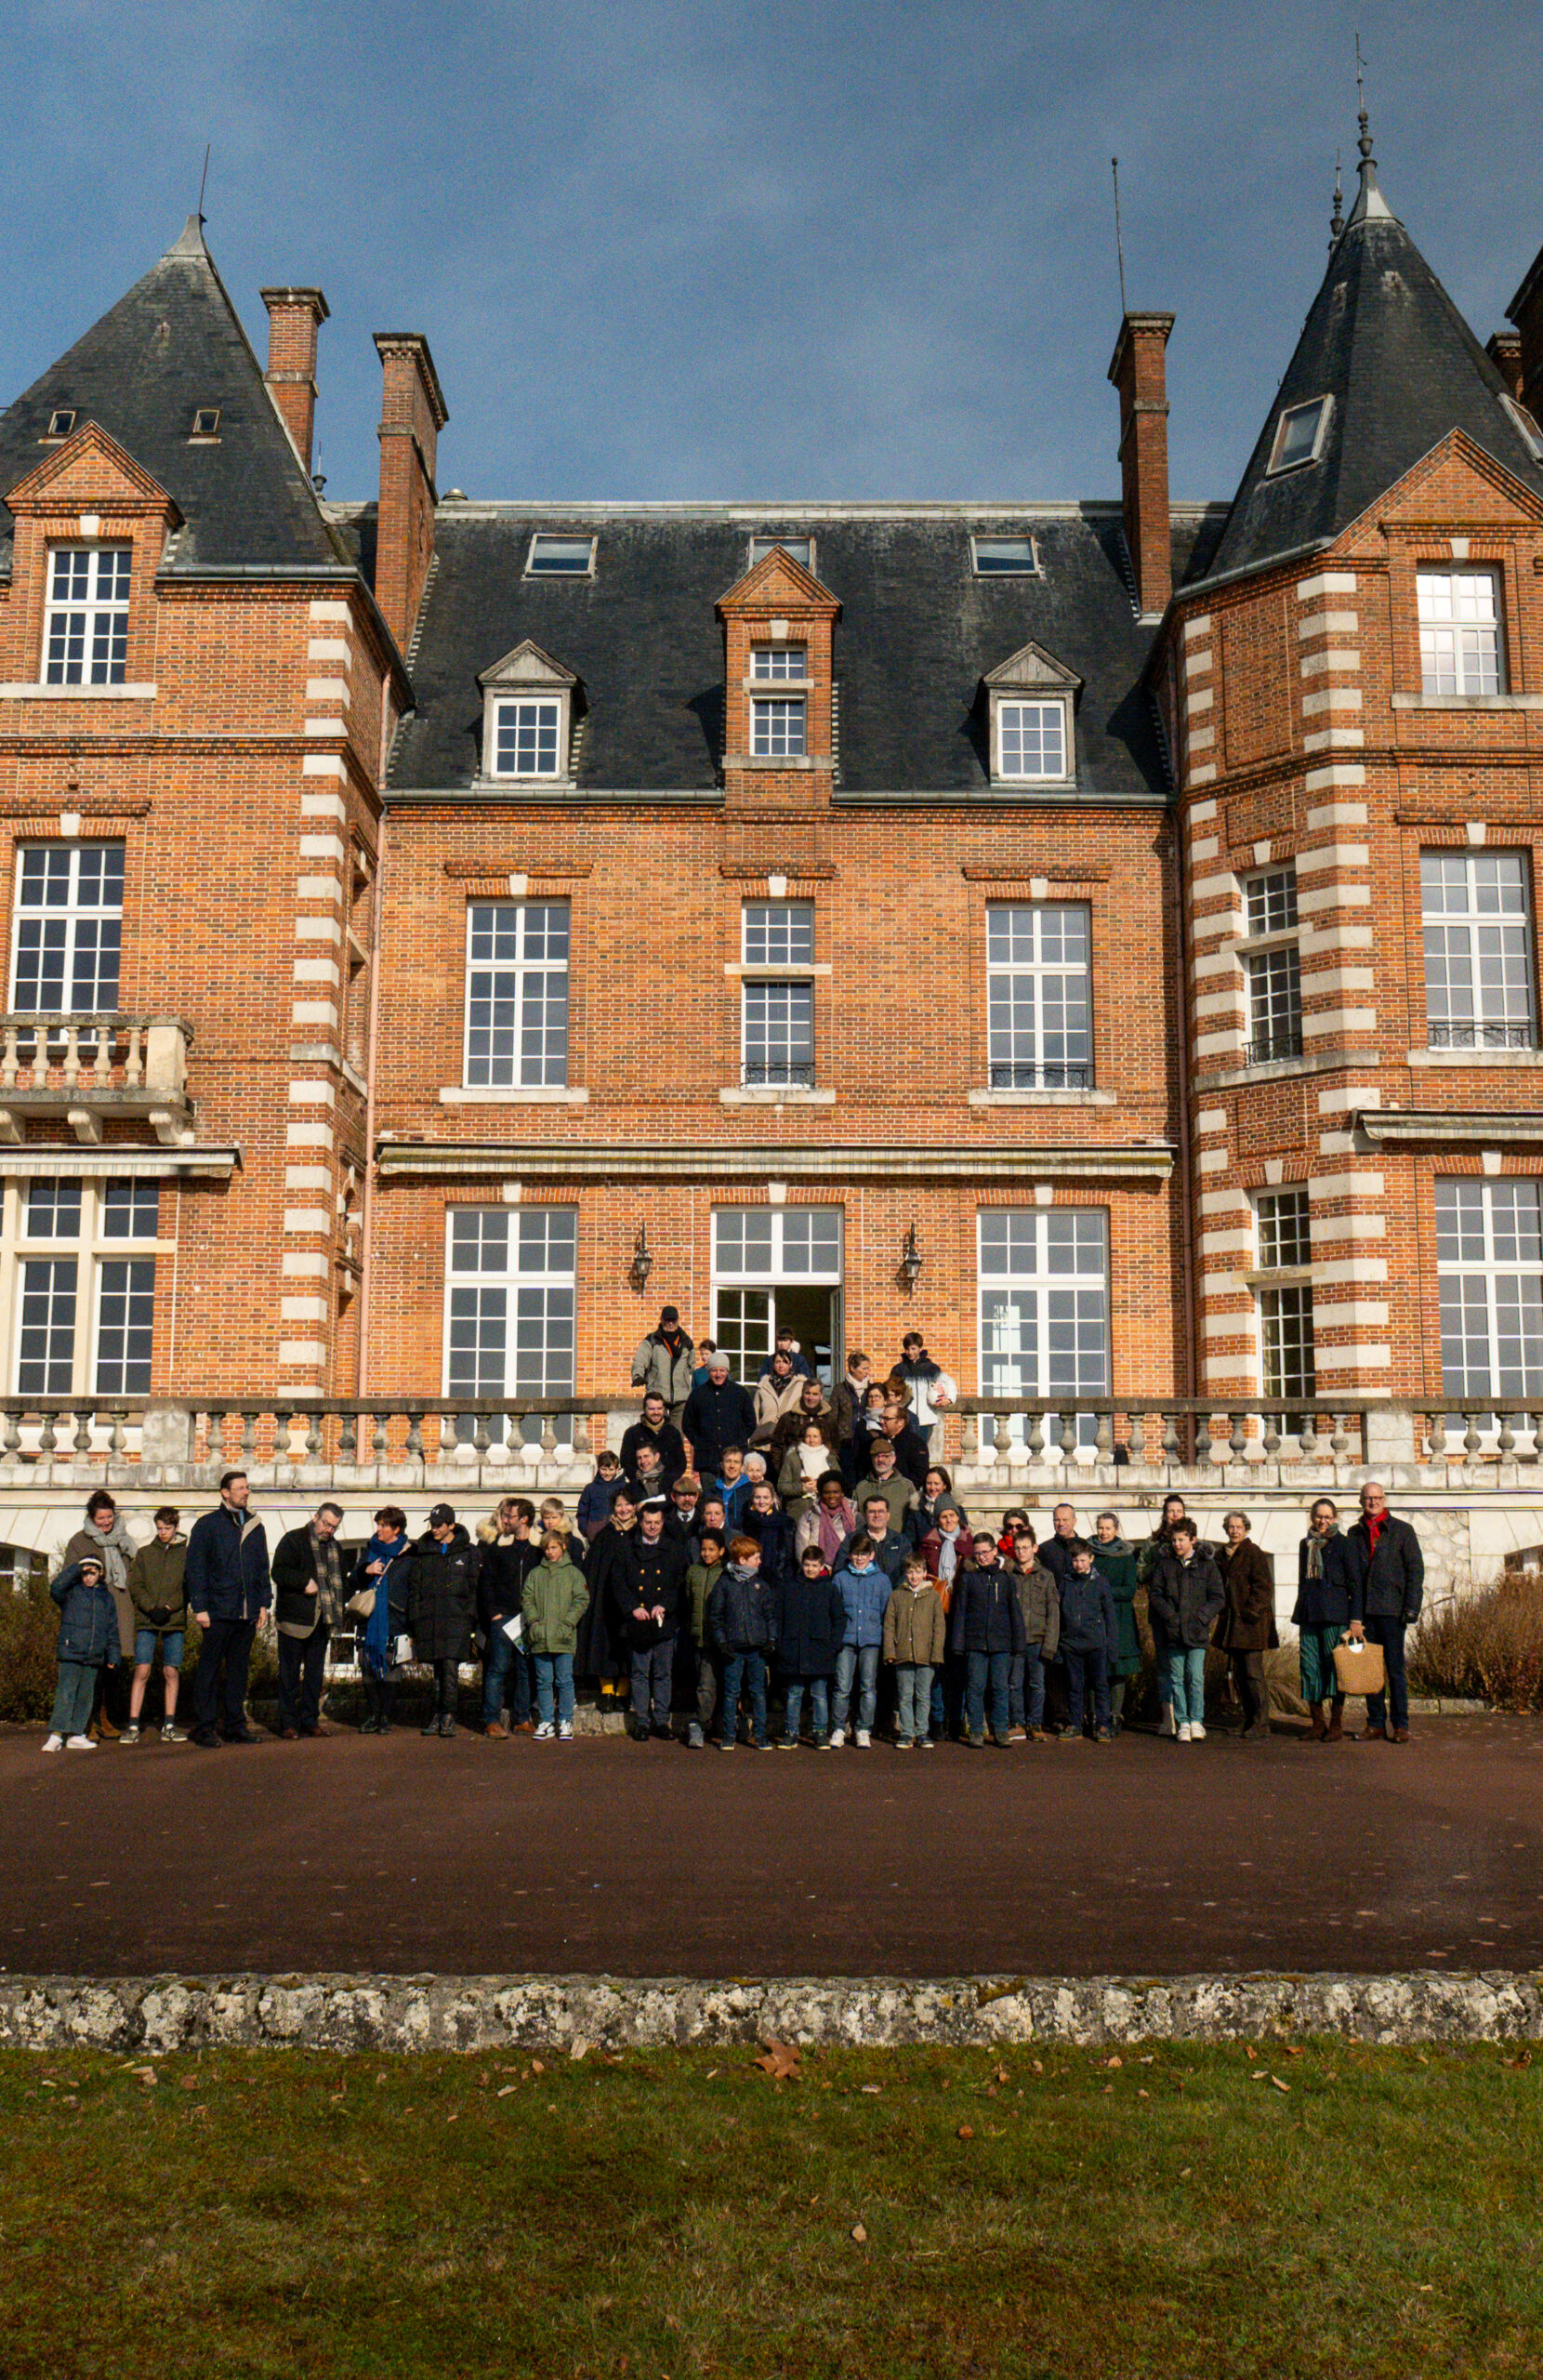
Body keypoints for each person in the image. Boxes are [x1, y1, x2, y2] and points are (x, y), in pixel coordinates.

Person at [185, 1470, 270, 1751]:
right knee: (209, 1671)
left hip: (247, 1612)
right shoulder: (207, 1525)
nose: (246, 1492)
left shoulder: (255, 1526)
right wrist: (200, 1606)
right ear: (225, 1492)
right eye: (240, 1488)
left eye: (247, 1488)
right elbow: (196, 1568)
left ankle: (235, 1726)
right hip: (218, 1610)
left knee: (238, 1672)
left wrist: (263, 1603)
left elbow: (262, 1567)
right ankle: (204, 1727)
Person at [1344, 1481, 1425, 1745]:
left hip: (1392, 1611)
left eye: (1377, 1497)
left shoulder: (1402, 1531)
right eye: (1368, 1498)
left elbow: (1415, 1570)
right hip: (1366, 1614)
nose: (1373, 1502)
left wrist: (1411, 1607)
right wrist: (1355, 1616)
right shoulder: (1354, 1533)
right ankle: (1376, 1724)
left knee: (1395, 1671)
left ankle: (1400, 1725)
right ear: (1361, 1501)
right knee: (1371, 1671)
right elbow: (1353, 1579)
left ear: (1384, 1500)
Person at [270, 1501, 346, 1739]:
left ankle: (310, 1720)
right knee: (289, 1675)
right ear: (316, 1517)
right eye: (326, 1524)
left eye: (334, 1527)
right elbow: (278, 1571)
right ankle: (288, 1723)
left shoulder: (336, 1548)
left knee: (314, 1676)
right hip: (294, 1619)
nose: (329, 1530)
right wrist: (303, 1581)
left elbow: (341, 1581)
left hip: (323, 1620)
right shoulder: (293, 1540)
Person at [65, 1491, 137, 1740]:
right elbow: (69, 1579)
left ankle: (104, 1717)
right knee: (90, 1668)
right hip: (91, 1613)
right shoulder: (79, 1542)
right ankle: (87, 1721)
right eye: (101, 1518)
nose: (106, 1522)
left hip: (119, 1610)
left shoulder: (124, 1541)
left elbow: (134, 1573)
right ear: (91, 1518)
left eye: (109, 1517)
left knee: (112, 1668)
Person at [1146, 1518, 1224, 1744]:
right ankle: (1183, 1722)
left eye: (1181, 1540)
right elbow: (1156, 1595)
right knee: (1176, 1678)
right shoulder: (1165, 1565)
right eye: (1173, 1540)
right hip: (1173, 1632)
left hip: (1197, 1631)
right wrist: (1170, 1617)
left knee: (1195, 1677)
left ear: (1193, 1540)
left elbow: (1218, 1597)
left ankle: (1197, 1720)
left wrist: (1201, 1618)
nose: (1177, 1544)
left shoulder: (1207, 1565)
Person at [949, 1530, 1025, 1749]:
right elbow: (960, 1612)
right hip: (975, 1643)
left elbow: (1015, 1612)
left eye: (985, 1552)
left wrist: (1018, 1643)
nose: (981, 1557)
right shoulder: (968, 1578)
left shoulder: (1006, 1578)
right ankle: (976, 1730)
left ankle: (1000, 1730)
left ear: (994, 1551)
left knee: (1001, 1687)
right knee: (975, 1687)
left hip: (1001, 1642)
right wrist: (958, 1643)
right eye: (977, 1553)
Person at [473, 1497, 539, 1738]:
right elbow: (486, 1582)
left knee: (525, 1670)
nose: (504, 1520)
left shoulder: (539, 1548)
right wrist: (493, 1613)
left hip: (528, 1618)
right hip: (503, 1618)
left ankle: (522, 1718)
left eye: (509, 1516)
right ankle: (491, 1720)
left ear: (524, 1519)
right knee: (497, 1669)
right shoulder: (497, 1547)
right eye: (504, 1516)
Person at [408, 1501, 476, 1739]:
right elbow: (415, 1588)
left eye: (439, 1525)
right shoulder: (424, 1552)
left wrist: (469, 1617)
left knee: (449, 1669)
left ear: (451, 1525)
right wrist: (415, 1620)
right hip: (430, 1619)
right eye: (433, 1524)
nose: (435, 1529)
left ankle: (448, 1715)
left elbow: (474, 1588)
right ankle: (438, 1714)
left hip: (456, 1621)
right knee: (437, 1670)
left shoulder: (468, 1552)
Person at [620, 1501, 686, 1741]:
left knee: (663, 1673)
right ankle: (641, 1721)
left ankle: (662, 1720)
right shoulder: (628, 1549)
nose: (652, 1527)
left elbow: (680, 1583)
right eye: (648, 1522)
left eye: (657, 1523)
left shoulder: (674, 1549)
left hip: (662, 1620)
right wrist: (632, 1608)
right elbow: (619, 1583)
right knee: (639, 1673)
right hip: (639, 1620)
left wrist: (665, 1604)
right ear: (640, 1522)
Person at [42, 1552, 121, 1751]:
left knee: (85, 1697)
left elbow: (112, 1629)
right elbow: (56, 1588)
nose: (88, 1577)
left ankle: (76, 1734)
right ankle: (56, 1735)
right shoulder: (71, 1593)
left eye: (92, 1573)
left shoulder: (107, 1599)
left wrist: (113, 1654)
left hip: (93, 1656)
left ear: (100, 1573)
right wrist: (77, 1569)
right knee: (65, 1694)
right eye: (85, 1573)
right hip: (71, 1652)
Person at [123, 1505, 188, 1743]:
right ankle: (133, 1725)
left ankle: (169, 1724)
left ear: (176, 1527)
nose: (163, 1532)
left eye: (167, 1528)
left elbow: (189, 1586)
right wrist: (151, 1608)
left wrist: (169, 1608)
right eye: (159, 1528)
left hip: (174, 1620)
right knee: (142, 1669)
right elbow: (135, 1585)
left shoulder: (187, 1554)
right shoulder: (144, 1553)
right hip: (147, 1620)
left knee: (171, 1671)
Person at [707, 1533, 776, 1751]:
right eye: (756, 1558)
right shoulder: (724, 1584)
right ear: (743, 1560)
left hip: (757, 1648)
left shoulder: (761, 1585)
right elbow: (715, 1616)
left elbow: (770, 1616)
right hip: (733, 1648)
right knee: (731, 1693)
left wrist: (771, 1639)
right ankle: (729, 1735)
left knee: (758, 1693)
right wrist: (722, 1643)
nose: (760, 1562)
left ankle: (760, 1735)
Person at [774, 1543, 846, 1750]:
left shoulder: (829, 1589)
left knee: (819, 1695)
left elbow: (839, 1620)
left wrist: (833, 1646)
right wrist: (780, 1644)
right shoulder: (789, 1588)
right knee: (794, 1694)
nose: (810, 1569)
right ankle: (791, 1732)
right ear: (801, 1564)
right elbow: (778, 1618)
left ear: (822, 1566)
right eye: (807, 1565)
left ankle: (820, 1732)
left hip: (820, 1651)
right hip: (793, 1650)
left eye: (814, 1565)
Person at [521, 1528, 590, 1741]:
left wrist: (568, 1623)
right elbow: (527, 1599)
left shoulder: (573, 1574)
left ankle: (566, 1720)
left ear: (563, 1547)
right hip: (540, 1637)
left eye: (554, 1547)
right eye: (547, 1548)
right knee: (543, 1681)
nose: (550, 1552)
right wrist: (534, 1622)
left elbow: (581, 1600)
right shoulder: (536, 1574)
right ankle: (547, 1721)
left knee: (564, 1681)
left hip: (564, 1637)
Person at [1214, 1511, 1276, 1741]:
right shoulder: (1221, 1555)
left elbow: (1264, 1588)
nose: (1235, 1531)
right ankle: (1249, 1719)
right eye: (1231, 1527)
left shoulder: (1254, 1553)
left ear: (1246, 1529)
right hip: (1232, 1624)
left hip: (1252, 1625)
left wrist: (1251, 1612)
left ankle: (1262, 1722)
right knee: (1240, 1674)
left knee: (1253, 1673)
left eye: (1239, 1527)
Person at [351, 1505, 413, 1733]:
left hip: (396, 1620)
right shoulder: (370, 1550)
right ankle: (373, 1714)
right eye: (378, 1524)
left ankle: (385, 1716)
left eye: (384, 1525)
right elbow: (353, 1581)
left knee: (391, 1669)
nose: (378, 1529)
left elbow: (414, 1592)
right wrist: (365, 1570)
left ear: (396, 1529)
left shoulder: (409, 1555)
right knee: (368, 1667)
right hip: (369, 1621)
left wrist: (412, 1627)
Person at [1294, 1497, 1352, 1742]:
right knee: (1309, 1667)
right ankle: (1317, 1723)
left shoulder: (1344, 1544)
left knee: (1335, 1667)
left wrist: (1355, 1620)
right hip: (1309, 1614)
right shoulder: (1305, 1544)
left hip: (1334, 1615)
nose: (1323, 1521)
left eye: (1328, 1516)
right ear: (1312, 1517)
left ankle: (1336, 1724)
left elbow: (1354, 1582)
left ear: (1334, 1518)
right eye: (1319, 1516)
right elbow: (1303, 1580)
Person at [828, 1533, 888, 1748]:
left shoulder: (882, 1580)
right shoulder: (840, 1578)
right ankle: (838, 1727)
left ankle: (864, 1729)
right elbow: (834, 1610)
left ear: (871, 1555)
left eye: (863, 1554)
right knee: (842, 1687)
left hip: (871, 1640)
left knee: (868, 1688)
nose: (859, 1558)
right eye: (855, 1554)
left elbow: (885, 1612)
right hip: (846, 1639)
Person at [1137, 1493, 1189, 1739]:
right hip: (1160, 1612)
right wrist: (1158, 1566)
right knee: (1165, 1666)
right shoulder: (1153, 1544)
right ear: (1164, 1514)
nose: (1174, 1515)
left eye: (1179, 1511)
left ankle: (1188, 1717)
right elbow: (1139, 1572)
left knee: (1188, 1667)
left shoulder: (1191, 1542)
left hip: (1187, 1614)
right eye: (1170, 1511)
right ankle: (1168, 1718)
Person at [883, 1552, 947, 1750]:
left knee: (923, 1696)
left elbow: (939, 1627)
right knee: (904, 1695)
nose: (914, 1576)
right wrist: (890, 1652)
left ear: (925, 1573)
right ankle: (907, 1732)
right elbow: (889, 1626)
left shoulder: (933, 1596)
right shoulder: (896, 1595)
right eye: (910, 1572)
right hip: (902, 1654)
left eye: (918, 1572)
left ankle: (922, 1732)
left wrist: (937, 1654)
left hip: (926, 1656)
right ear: (905, 1573)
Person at [1057, 1539, 1118, 1743]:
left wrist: (1112, 1646)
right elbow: (1059, 1612)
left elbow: (1110, 1615)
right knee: (1074, 1686)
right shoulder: (1066, 1582)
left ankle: (1103, 1724)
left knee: (1100, 1686)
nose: (1079, 1565)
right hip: (1071, 1644)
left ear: (1091, 1559)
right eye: (1075, 1561)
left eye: (1083, 1560)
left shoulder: (1100, 1582)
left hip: (1096, 1643)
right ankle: (1075, 1724)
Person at [578, 1491, 638, 1698]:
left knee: (626, 1648)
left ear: (635, 1507)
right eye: (619, 1505)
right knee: (604, 1646)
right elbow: (592, 1570)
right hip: (605, 1601)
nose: (623, 1509)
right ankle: (606, 1690)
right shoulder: (605, 1535)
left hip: (631, 1603)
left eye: (627, 1504)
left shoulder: (639, 1533)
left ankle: (623, 1691)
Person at [1008, 1522, 1060, 1742]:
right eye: (1017, 1548)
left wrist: (1050, 1644)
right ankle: (1017, 1723)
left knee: (1037, 1684)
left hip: (1038, 1639)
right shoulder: (1008, 1575)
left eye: (1025, 1548)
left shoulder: (1046, 1576)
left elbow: (1053, 1612)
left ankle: (1035, 1723)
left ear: (1034, 1549)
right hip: (1015, 1640)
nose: (1021, 1552)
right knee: (1014, 1683)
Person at [1092, 1513, 1141, 1735]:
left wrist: (1103, 1592)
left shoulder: (1125, 1556)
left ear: (1116, 1529)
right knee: (1095, 1668)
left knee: (1117, 1670)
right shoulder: (1090, 1553)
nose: (1104, 1533)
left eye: (1108, 1528)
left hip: (1119, 1619)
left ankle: (1115, 1714)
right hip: (1094, 1618)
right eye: (1101, 1528)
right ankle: (1095, 1715)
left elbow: (1129, 1590)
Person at [681, 1355, 757, 1486]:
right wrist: (699, 1442)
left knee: (734, 1496)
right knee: (710, 1496)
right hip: (707, 1460)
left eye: (722, 1370)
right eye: (714, 1370)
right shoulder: (698, 1395)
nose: (718, 1374)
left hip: (734, 1461)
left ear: (727, 1371)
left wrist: (739, 1442)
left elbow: (750, 1422)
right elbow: (687, 1424)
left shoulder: (739, 1393)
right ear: (708, 1371)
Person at [683, 1526, 725, 1748]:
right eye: (703, 1549)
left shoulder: (725, 1573)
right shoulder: (694, 1571)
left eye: (711, 1550)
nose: (706, 1554)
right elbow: (689, 1600)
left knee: (715, 1683)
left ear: (721, 1551)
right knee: (704, 1683)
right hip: (699, 1637)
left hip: (720, 1639)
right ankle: (702, 1723)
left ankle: (712, 1723)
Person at [886, 1333, 958, 1449]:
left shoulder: (930, 1368)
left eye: (913, 1348)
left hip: (926, 1420)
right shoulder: (899, 1369)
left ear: (920, 1348)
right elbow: (890, 1389)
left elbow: (949, 1382)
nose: (910, 1352)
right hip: (906, 1419)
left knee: (920, 1451)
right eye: (907, 1349)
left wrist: (949, 1399)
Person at [631, 1304, 696, 1424]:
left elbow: (691, 1364)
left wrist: (684, 1378)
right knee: (656, 1432)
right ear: (661, 1320)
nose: (670, 1323)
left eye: (673, 1320)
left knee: (678, 1434)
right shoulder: (652, 1340)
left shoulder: (686, 1341)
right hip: (657, 1396)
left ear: (678, 1320)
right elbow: (640, 1360)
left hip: (681, 1397)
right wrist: (638, 1376)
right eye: (667, 1320)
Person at [766, 1378, 839, 1482]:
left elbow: (835, 1447)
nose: (811, 1397)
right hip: (793, 1475)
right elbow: (776, 1447)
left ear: (821, 1396)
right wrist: (782, 1471)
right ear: (802, 1394)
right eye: (807, 1393)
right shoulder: (788, 1418)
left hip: (822, 1474)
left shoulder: (829, 1420)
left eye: (815, 1394)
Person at [852, 1437, 917, 1539]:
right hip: (867, 1543)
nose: (880, 1460)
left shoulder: (907, 1486)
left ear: (893, 1458)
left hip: (898, 1543)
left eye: (885, 1456)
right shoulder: (861, 1488)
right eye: (876, 1456)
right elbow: (854, 1518)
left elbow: (916, 1519)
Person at [620, 1392, 687, 1490]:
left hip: (667, 1488)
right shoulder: (633, 1433)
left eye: (659, 1408)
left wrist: (668, 1480)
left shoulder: (673, 1432)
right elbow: (626, 1462)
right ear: (644, 1409)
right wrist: (640, 1478)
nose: (656, 1412)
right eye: (652, 1409)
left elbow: (680, 1463)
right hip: (641, 1487)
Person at [844, 1493, 912, 1586]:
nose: (877, 1515)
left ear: (888, 1515)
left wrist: (895, 1592)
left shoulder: (901, 1541)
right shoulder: (852, 1539)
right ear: (864, 1515)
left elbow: (908, 1571)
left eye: (881, 1511)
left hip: (895, 1592)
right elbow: (842, 1570)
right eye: (872, 1512)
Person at [743, 1478, 796, 1593]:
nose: (761, 1502)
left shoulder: (784, 1522)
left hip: (778, 1581)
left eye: (766, 1498)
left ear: (772, 1500)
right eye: (757, 1497)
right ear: (752, 1499)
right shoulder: (746, 1522)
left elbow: (788, 1557)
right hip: (750, 1579)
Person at [795, 1471, 856, 1568]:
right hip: (817, 1571)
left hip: (848, 1570)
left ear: (842, 1492)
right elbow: (801, 1549)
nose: (831, 1496)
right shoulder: (809, 1516)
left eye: (835, 1492)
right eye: (827, 1492)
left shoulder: (853, 1515)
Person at [779, 1418, 835, 1518]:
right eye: (808, 1436)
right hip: (799, 1510)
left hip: (825, 1509)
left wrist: (821, 1486)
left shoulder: (829, 1458)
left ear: (821, 1438)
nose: (811, 1440)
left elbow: (838, 1482)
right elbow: (782, 1486)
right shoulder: (793, 1458)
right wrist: (802, 1488)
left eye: (815, 1436)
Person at [751, 1348, 805, 1448]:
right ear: (773, 1364)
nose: (781, 1365)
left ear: (791, 1364)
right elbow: (755, 1416)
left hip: (789, 1442)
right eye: (778, 1362)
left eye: (785, 1362)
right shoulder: (763, 1387)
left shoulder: (800, 1386)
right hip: (765, 1442)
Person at [877, 1402, 932, 1492]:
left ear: (900, 1422)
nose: (882, 1422)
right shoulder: (878, 1441)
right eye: (881, 1418)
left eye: (886, 1419)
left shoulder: (915, 1443)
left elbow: (919, 1475)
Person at [831, 1350, 876, 1457]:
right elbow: (832, 1418)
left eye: (868, 1368)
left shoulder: (871, 1389)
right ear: (852, 1368)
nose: (867, 1372)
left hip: (866, 1440)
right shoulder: (840, 1389)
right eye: (864, 1368)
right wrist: (834, 1442)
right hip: (845, 1442)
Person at [576, 1450, 623, 1540]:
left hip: (617, 1534)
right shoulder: (590, 1489)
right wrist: (586, 1530)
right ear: (598, 1468)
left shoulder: (623, 1487)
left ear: (617, 1469)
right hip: (595, 1534)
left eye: (611, 1470)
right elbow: (582, 1512)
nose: (607, 1473)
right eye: (603, 1469)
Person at [1037, 1502, 1082, 1590]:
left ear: (1074, 1521)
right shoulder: (1044, 1549)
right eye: (1057, 1520)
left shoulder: (1085, 1547)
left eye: (1065, 1520)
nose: (1061, 1523)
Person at [916, 1465, 968, 1540]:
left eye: (936, 1484)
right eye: (929, 1483)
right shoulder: (917, 1510)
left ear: (945, 1485)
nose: (932, 1488)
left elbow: (964, 1535)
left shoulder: (957, 1509)